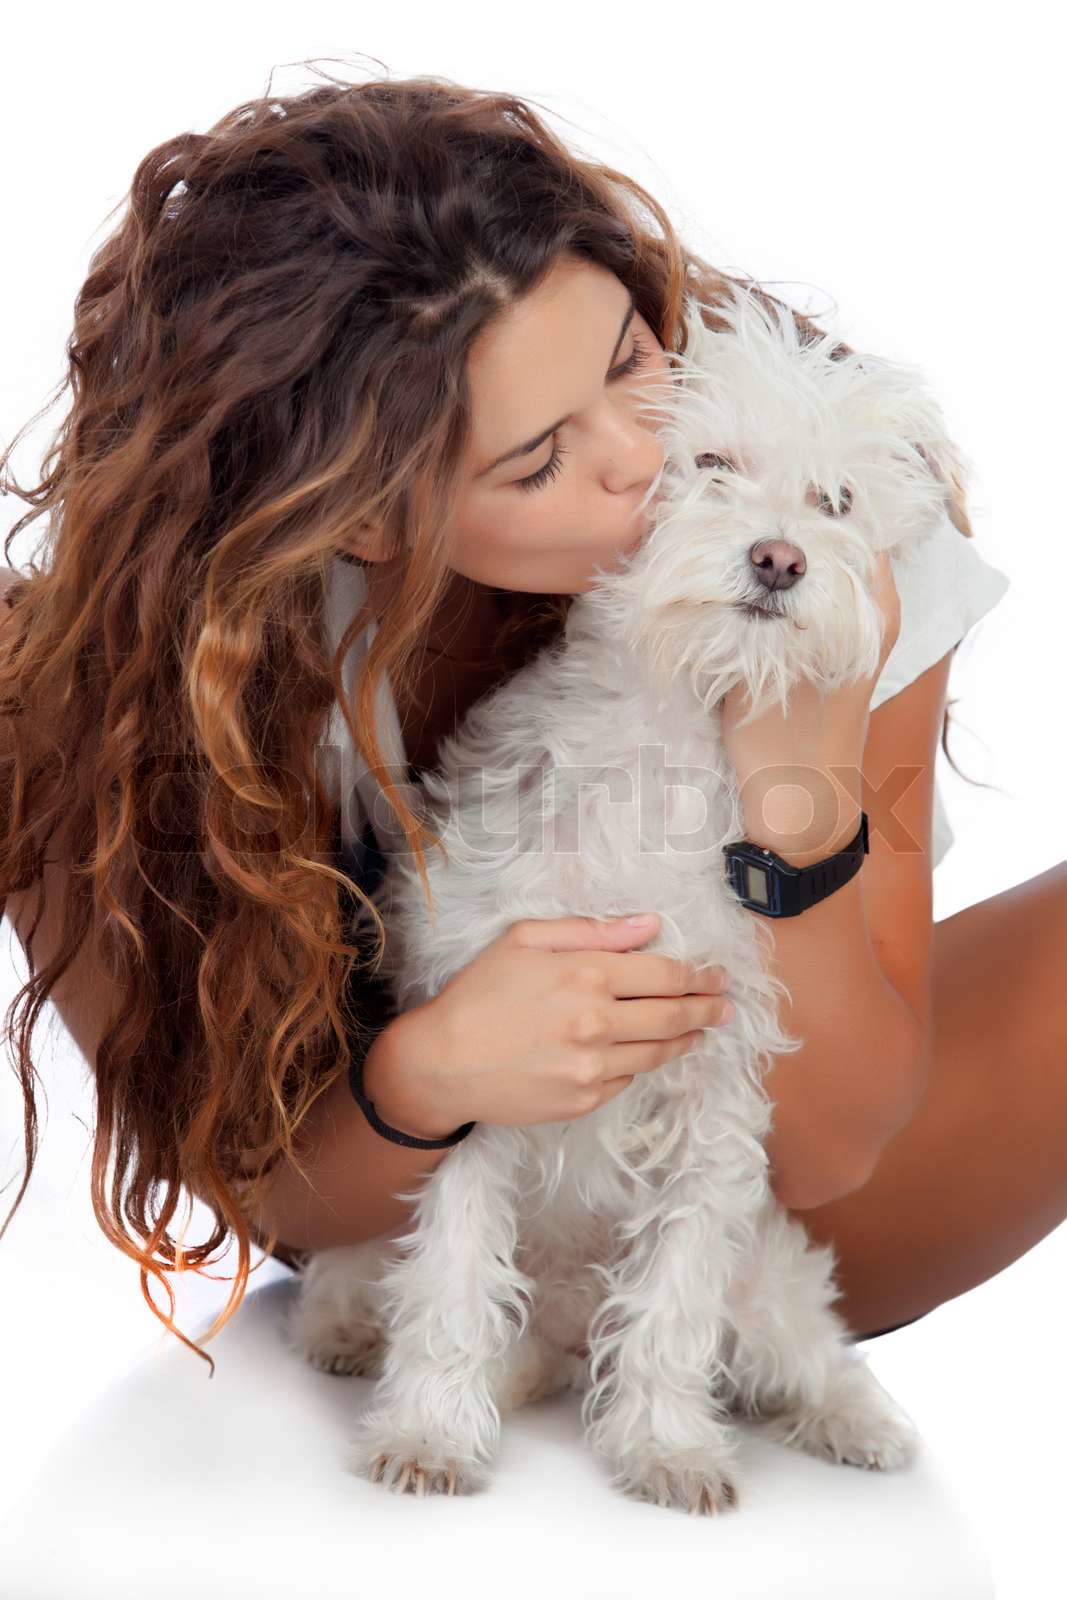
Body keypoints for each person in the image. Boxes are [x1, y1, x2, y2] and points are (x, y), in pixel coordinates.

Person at [1, 72, 1061, 1374]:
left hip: (781, 1208)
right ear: (365, 517)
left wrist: (798, 785)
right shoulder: (95, 692)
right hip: (408, 1200)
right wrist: (430, 1076)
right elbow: (256, 1187)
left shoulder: (817, 502)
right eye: (538, 458)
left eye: (630, 360)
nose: (641, 456)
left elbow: (834, 1145)